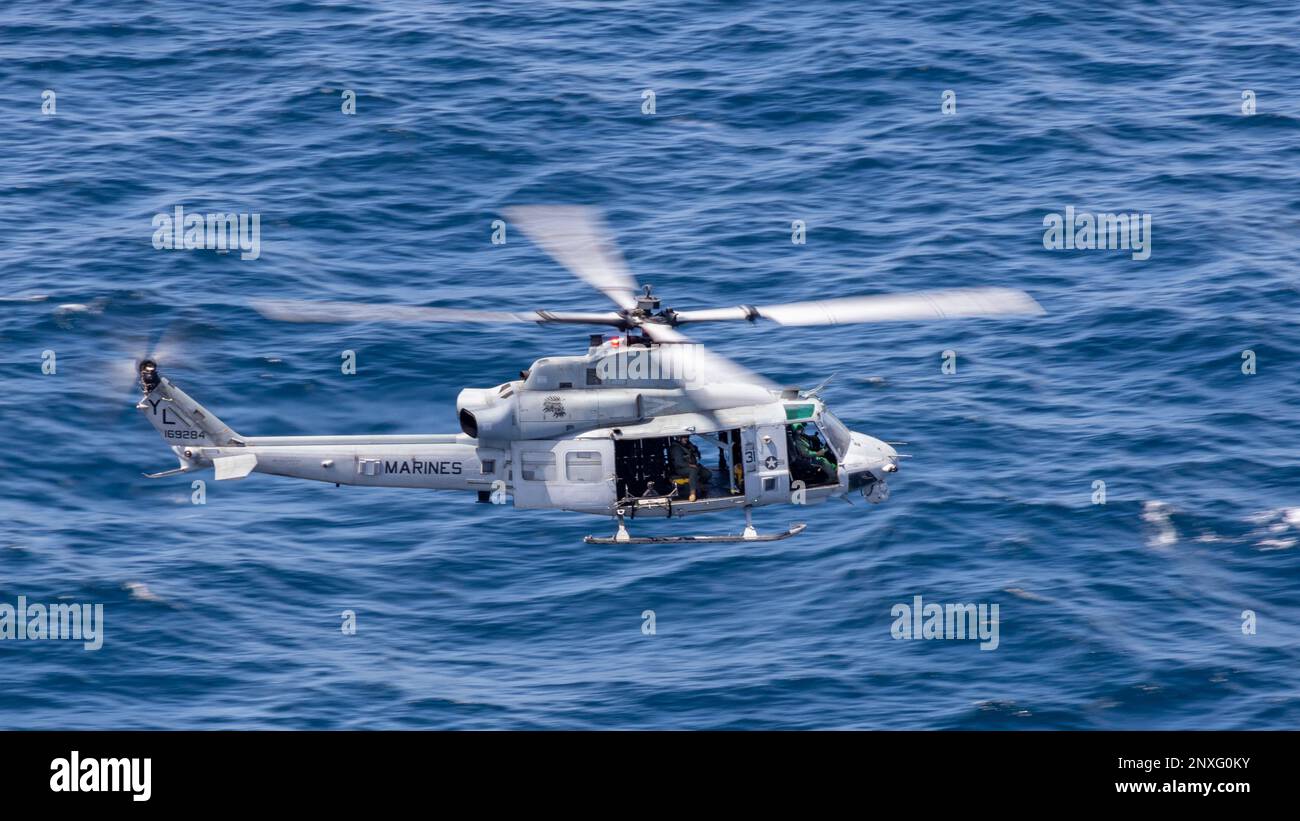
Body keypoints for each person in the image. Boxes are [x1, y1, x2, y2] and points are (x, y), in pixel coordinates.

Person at [668, 435, 711, 501]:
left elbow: (697, 456)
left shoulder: (688, 445)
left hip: (693, 466)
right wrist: (689, 465)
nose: (686, 439)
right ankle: (692, 493)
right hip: (680, 469)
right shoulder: (676, 448)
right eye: (684, 437)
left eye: (687, 437)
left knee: (707, 474)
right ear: (679, 438)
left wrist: (695, 450)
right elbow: (679, 462)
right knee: (693, 471)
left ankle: (700, 484)